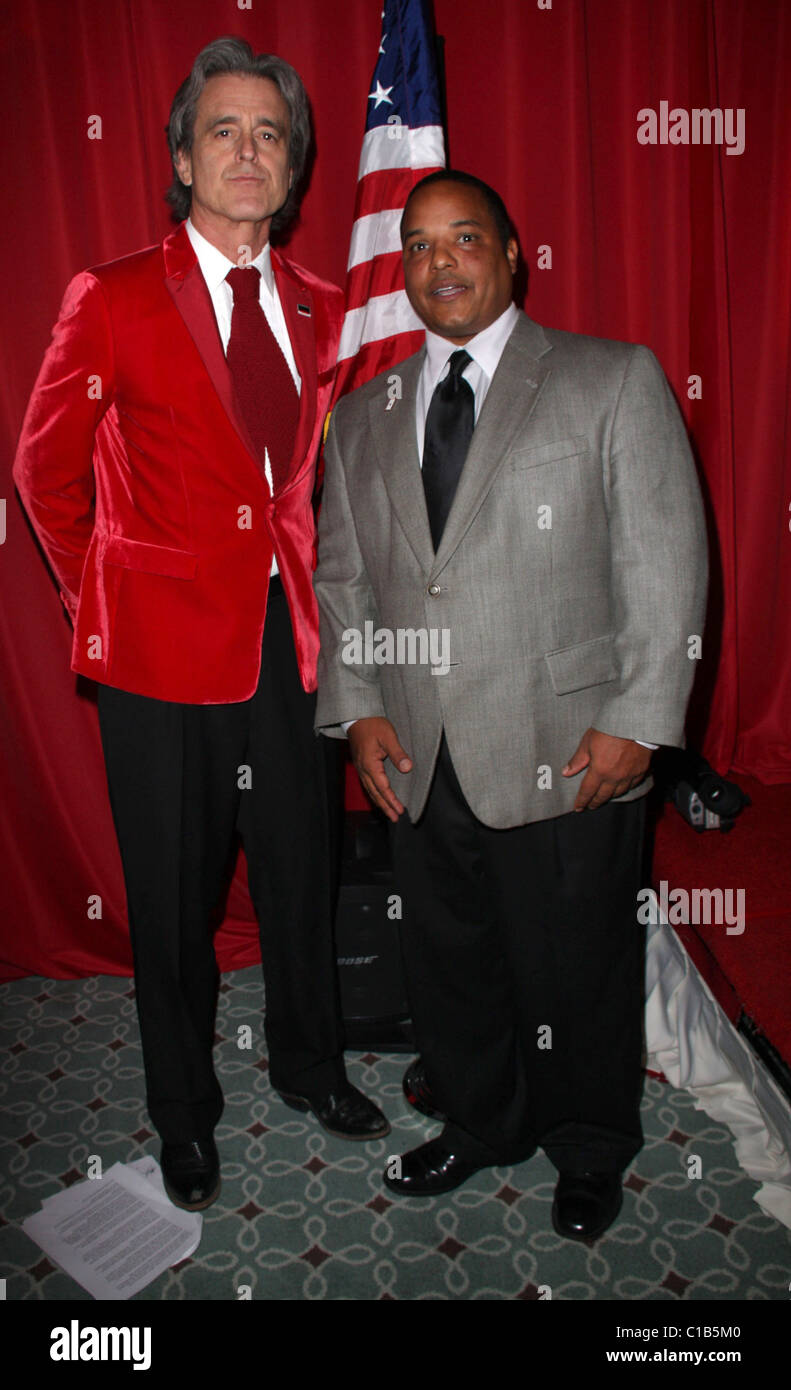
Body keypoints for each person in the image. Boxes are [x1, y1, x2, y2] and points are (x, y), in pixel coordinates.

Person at [13, 36, 388, 1213]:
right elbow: (41, 472)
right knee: (172, 901)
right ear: (182, 157)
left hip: (290, 642)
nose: (246, 150)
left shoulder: (329, 311)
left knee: (299, 871)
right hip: (156, 661)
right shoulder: (112, 295)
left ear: (292, 171)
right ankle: (184, 1111)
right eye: (221, 129)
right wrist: (109, 600)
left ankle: (310, 1062)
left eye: (268, 134)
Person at [313, 169, 707, 1240]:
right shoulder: (359, 419)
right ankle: (482, 1120)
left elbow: (665, 563)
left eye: (464, 239)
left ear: (512, 252)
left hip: (570, 742)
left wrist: (637, 720)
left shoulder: (608, 379)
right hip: (420, 750)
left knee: (577, 962)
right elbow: (342, 582)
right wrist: (358, 711)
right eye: (421, 246)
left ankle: (587, 1144)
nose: (440, 263)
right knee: (448, 959)